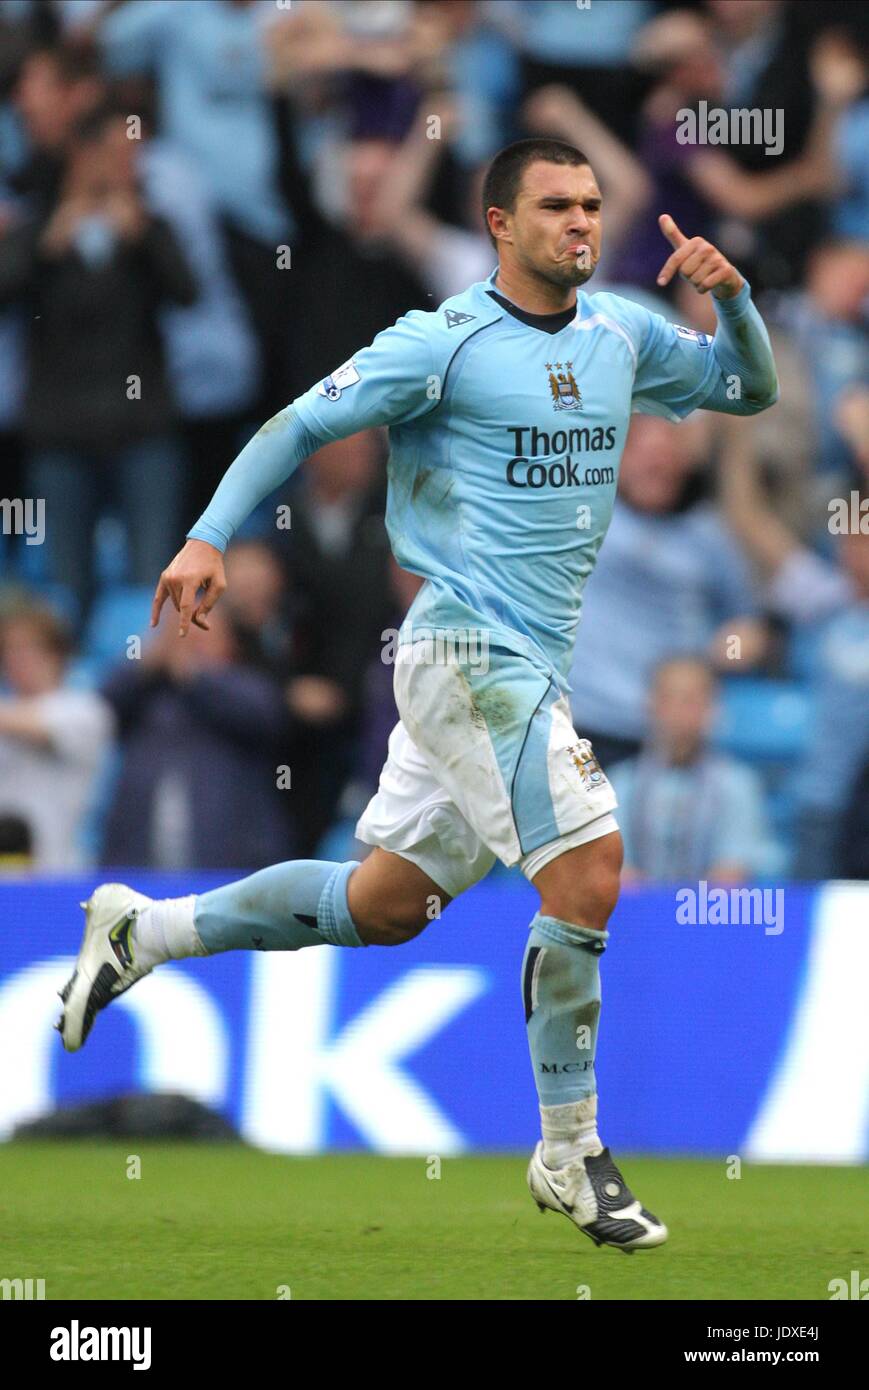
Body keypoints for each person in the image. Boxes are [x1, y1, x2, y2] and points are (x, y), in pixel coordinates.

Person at [57, 136, 779, 1251]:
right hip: (464, 652)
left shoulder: (622, 330)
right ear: (499, 223)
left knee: (386, 904)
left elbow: (747, 386)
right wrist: (206, 534)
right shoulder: (441, 342)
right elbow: (299, 422)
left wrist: (732, 302)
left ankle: (145, 930)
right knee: (588, 867)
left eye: (590, 204)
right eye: (555, 206)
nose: (581, 223)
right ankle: (569, 1150)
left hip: (527, 664)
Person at [609, 656, 774, 884]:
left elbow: (733, 871)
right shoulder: (620, 783)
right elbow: (615, 869)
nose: (678, 712)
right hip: (638, 914)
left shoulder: (737, 783)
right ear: (649, 705)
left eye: (690, 701)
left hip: (708, 914)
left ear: (713, 708)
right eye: (668, 699)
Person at [0, 602, 113, 871]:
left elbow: (39, 726)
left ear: (56, 655)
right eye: (10, 651)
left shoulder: (84, 710)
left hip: (58, 868)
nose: (18, 661)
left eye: (28, 650)